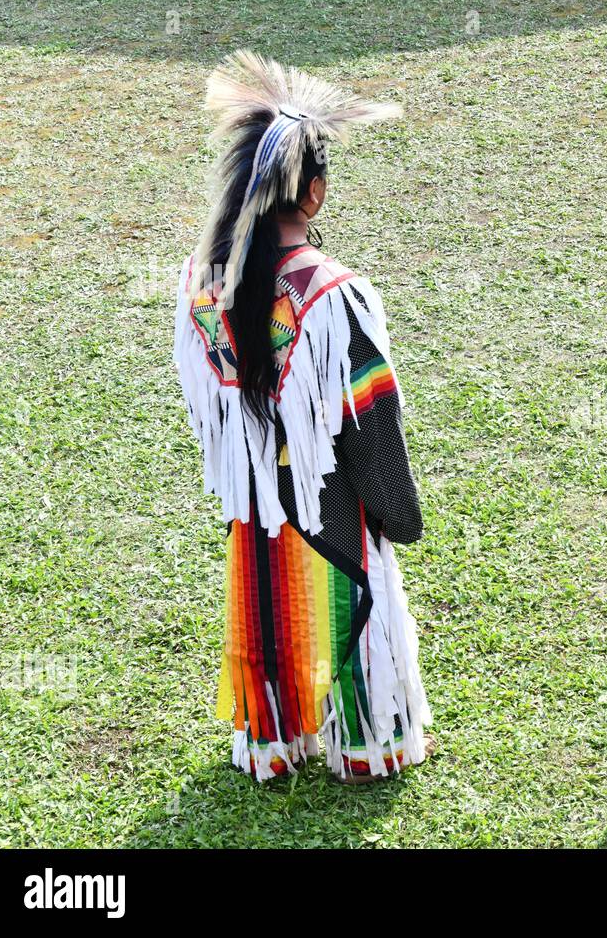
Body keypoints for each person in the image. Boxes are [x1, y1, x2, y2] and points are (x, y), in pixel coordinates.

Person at [173, 51, 432, 784]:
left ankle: (273, 742)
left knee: (267, 611)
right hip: (331, 515)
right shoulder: (333, 295)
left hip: (254, 511)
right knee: (351, 612)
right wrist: (398, 513)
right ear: (311, 194)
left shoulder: (201, 286)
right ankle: (366, 744)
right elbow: (370, 425)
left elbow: (209, 408)